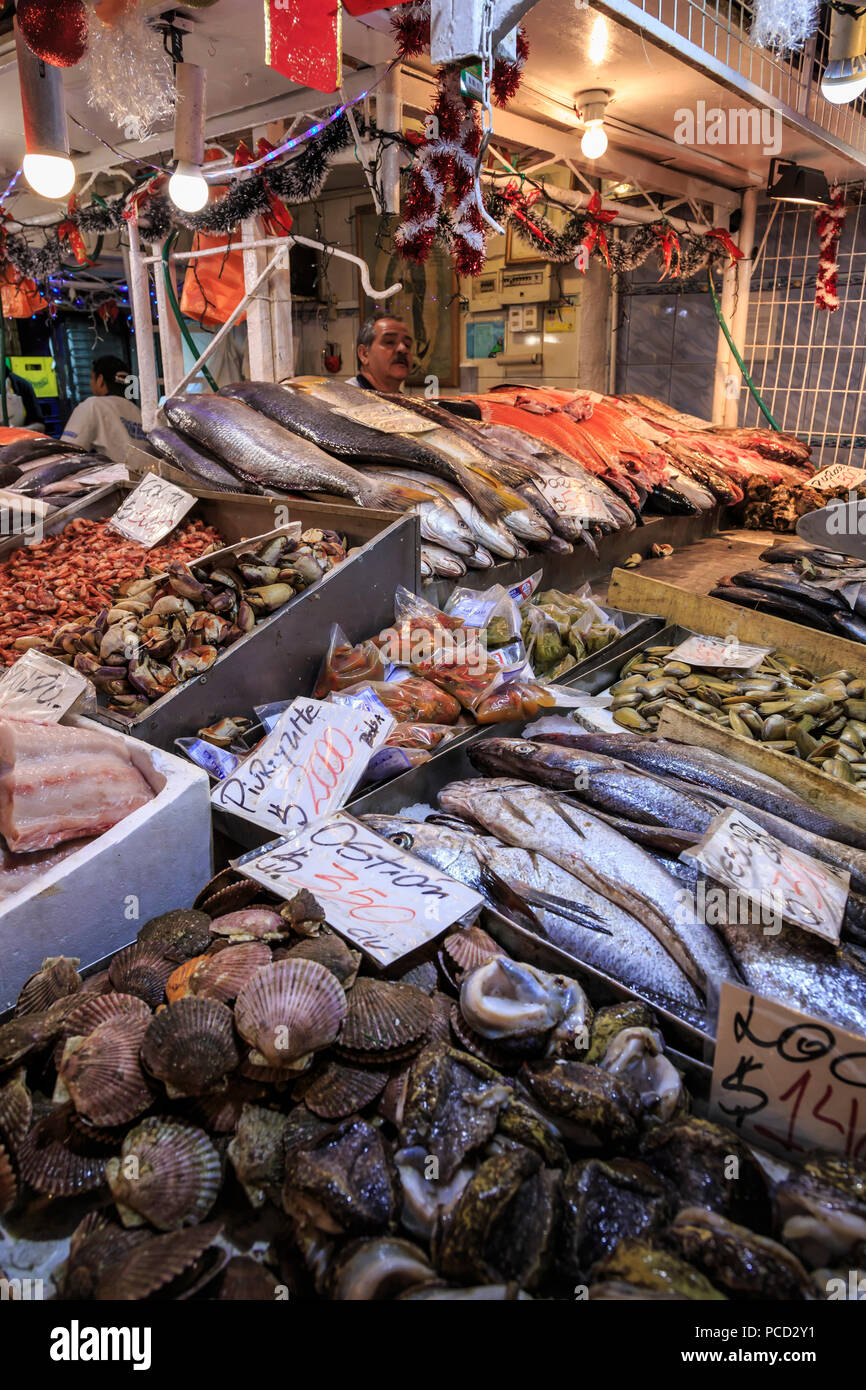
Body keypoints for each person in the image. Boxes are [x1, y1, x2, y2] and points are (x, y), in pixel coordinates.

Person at [61, 354, 148, 463]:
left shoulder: (93, 405)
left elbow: (67, 454)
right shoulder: (137, 411)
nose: (90, 384)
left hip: (110, 479)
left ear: (100, 380)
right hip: (146, 479)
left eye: (92, 378)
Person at [348, 312, 413, 393]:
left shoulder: (406, 403)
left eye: (407, 345)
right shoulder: (342, 399)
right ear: (364, 354)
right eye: (390, 342)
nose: (403, 349)